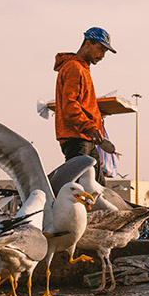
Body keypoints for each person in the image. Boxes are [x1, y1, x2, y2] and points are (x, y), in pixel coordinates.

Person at [53, 27, 116, 184]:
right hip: (77, 138)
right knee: (81, 189)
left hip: (84, 137)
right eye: (101, 49)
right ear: (88, 43)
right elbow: (70, 105)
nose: (102, 55)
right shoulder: (74, 68)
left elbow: (78, 104)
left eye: (105, 52)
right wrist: (89, 126)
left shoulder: (81, 68)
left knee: (98, 188)